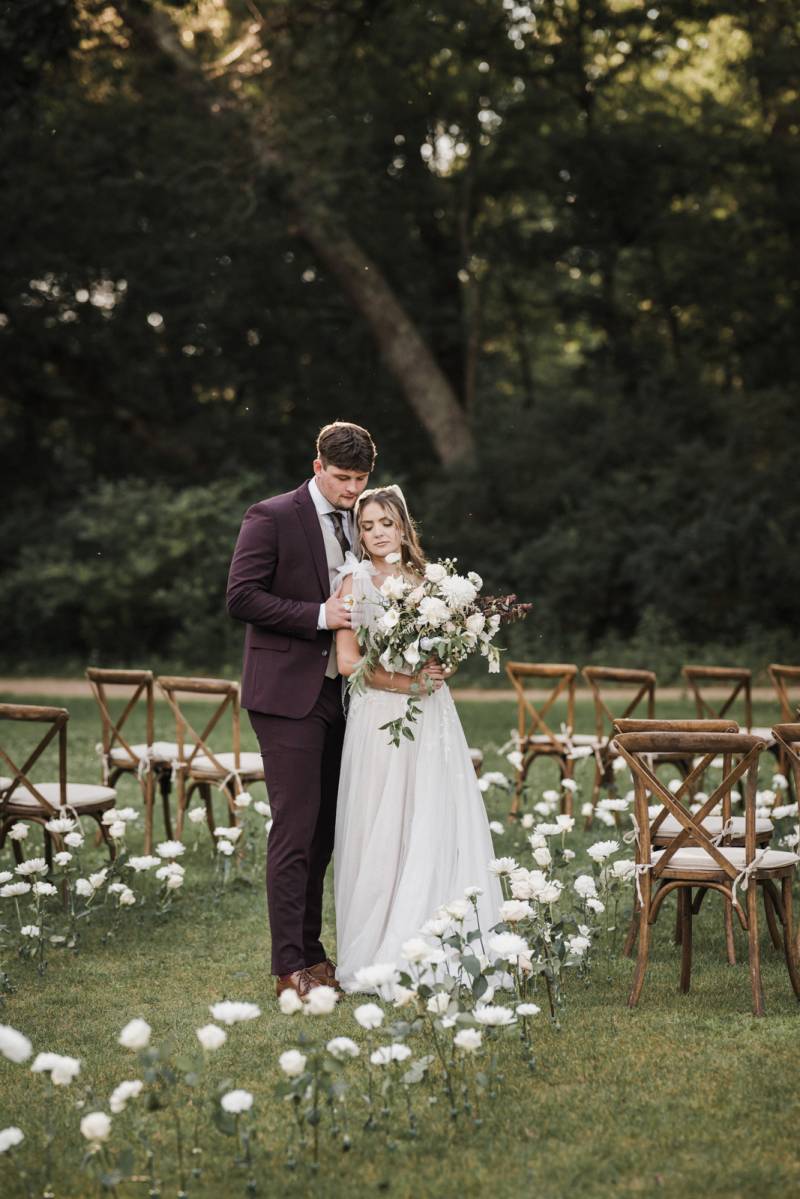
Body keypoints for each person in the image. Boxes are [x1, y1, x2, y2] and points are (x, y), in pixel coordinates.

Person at [226, 421, 375, 999]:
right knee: (294, 828)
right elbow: (242, 596)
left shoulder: (364, 519)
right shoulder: (271, 515)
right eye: (342, 478)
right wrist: (319, 616)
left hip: (346, 696)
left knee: (324, 832)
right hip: (286, 695)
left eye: (360, 479)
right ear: (317, 466)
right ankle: (289, 966)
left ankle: (313, 954)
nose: (351, 489)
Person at [332, 486, 502, 991]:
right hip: (381, 718)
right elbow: (347, 663)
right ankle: (382, 941)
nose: (377, 533)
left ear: (405, 526)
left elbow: (448, 646)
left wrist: (445, 661)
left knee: (432, 814)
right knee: (383, 822)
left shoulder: (434, 583)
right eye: (366, 526)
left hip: (432, 718)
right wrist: (409, 683)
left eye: (385, 522)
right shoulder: (355, 582)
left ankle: (440, 935)